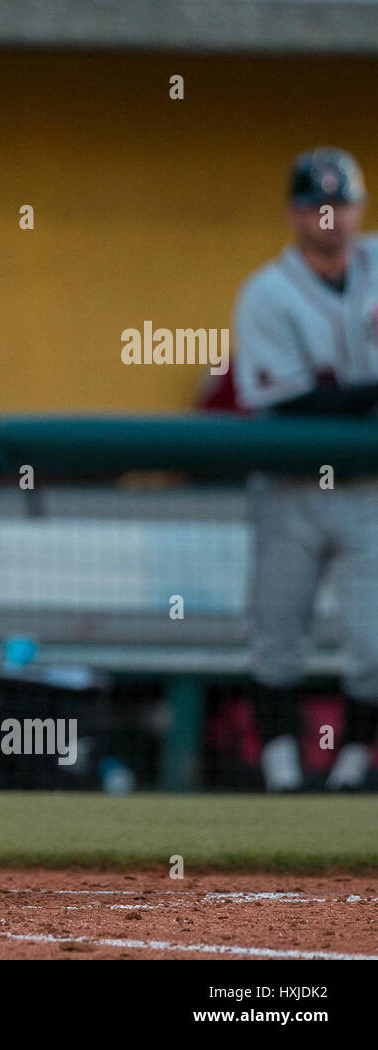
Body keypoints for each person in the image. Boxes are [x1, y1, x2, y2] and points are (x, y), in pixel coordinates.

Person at [233, 146, 378, 792]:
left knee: (373, 642)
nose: (331, 217)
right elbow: (289, 401)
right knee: (277, 630)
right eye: (318, 205)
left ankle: (351, 767)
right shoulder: (266, 292)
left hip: (366, 488)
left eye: (341, 203)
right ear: (296, 213)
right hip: (291, 484)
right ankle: (281, 770)